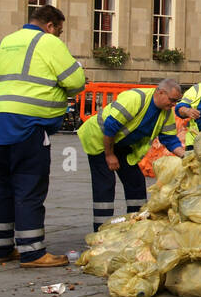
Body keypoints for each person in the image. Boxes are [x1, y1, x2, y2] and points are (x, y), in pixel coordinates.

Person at [0, 5, 86, 266]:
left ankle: (2, 248)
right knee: (29, 185)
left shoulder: (6, 41)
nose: (59, 35)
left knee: (1, 185)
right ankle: (33, 252)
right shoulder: (47, 42)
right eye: (59, 31)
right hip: (28, 123)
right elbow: (75, 81)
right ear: (50, 26)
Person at [77, 78, 185, 231]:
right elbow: (110, 127)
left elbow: (169, 138)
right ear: (160, 92)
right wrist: (109, 155)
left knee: (136, 182)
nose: (173, 105)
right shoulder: (135, 99)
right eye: (172, 100)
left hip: (123, 144)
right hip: (100, 141)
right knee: (105, 184)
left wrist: (185, 156)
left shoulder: (165, 112)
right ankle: (101, 231)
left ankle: (137, 224)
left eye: (176, 101)